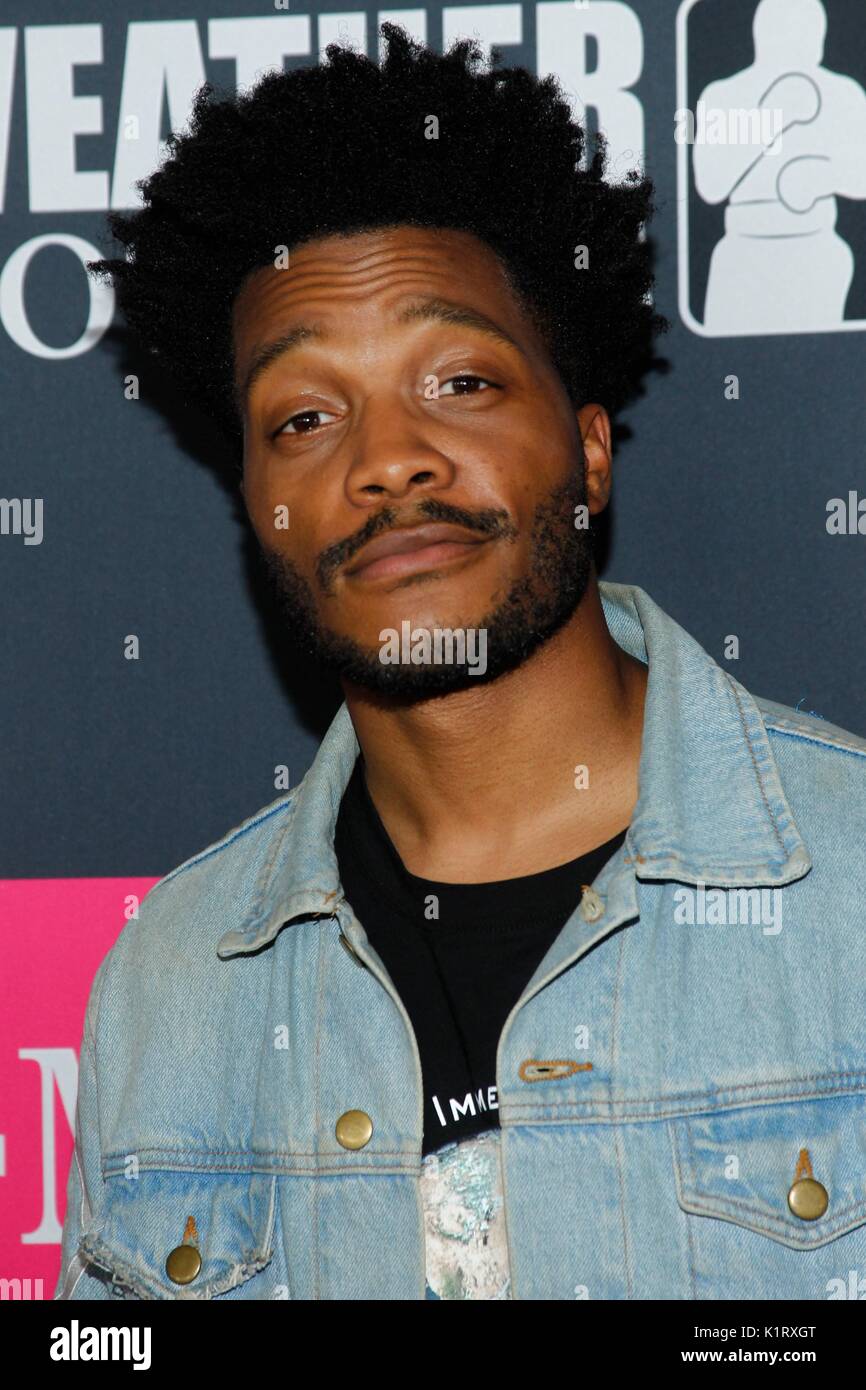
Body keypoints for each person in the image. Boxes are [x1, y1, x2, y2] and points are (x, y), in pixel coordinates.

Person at [55, 24, 866, 1301]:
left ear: (589, 452)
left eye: (460, 380)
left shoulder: (851, 891)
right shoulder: (173, 983)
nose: (387, 460)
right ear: (259, 501)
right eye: (306, 416)